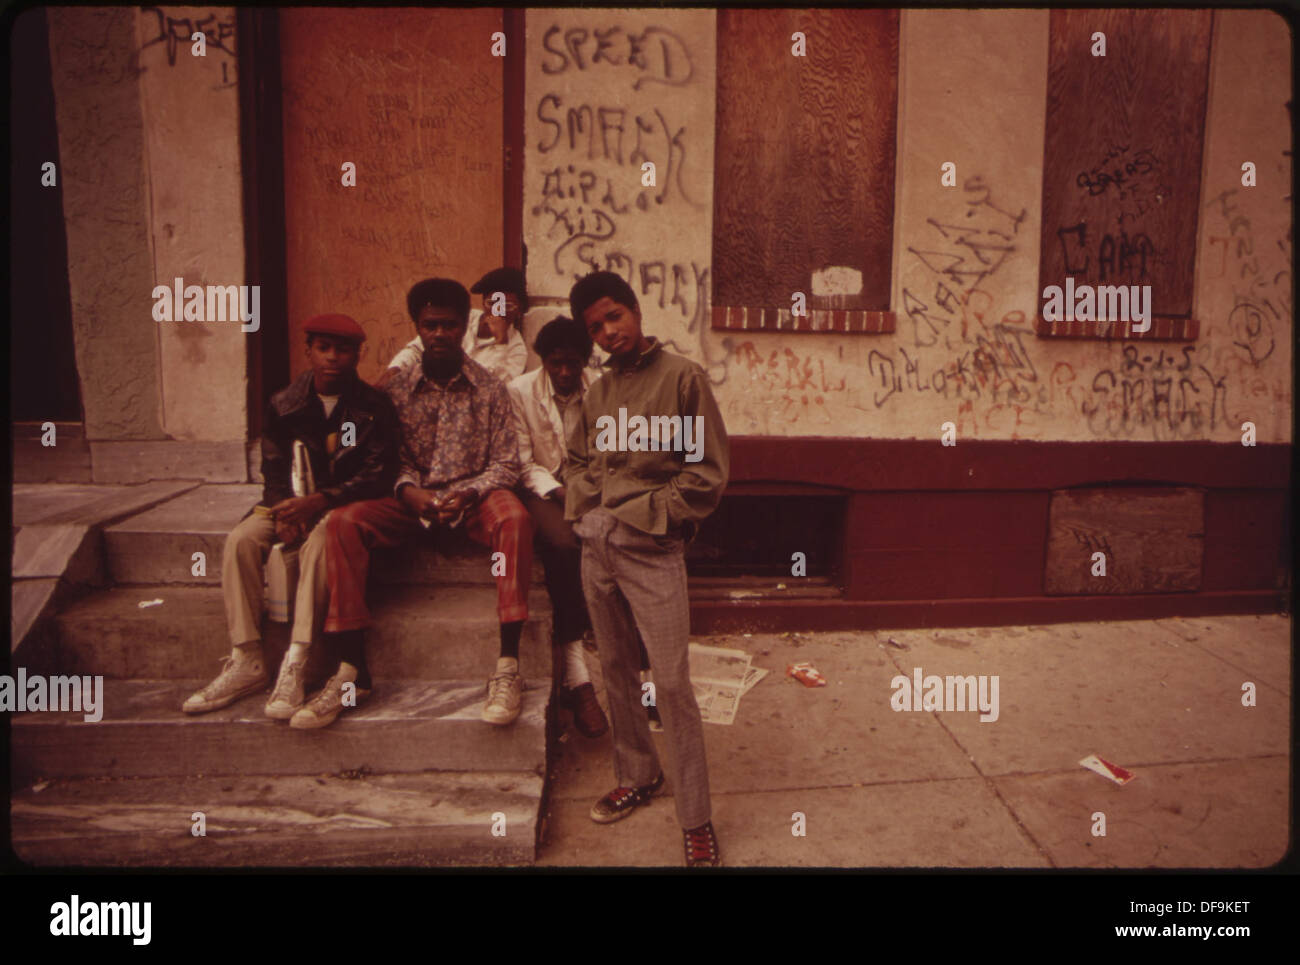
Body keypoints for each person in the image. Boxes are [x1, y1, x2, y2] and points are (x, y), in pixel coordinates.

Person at [564, 271, 730, 868]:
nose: (609, 333)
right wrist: (588, 512)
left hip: (652, 550)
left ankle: (696, 818)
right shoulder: (597, 391)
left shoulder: (682, 378)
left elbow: (705, 473)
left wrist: (651, 516)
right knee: (614, 668)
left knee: (674, 682)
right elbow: (577, 459)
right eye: (596, 328)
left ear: (635, 311)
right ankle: (638, 774)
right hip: (597, 548)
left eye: (615, 317)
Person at [319, 278, 537, 728]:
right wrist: (408, 490)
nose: (439, 334)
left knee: (513, 517)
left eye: (449, 325)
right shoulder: (393, 395)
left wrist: (470, 492)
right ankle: (352, 670)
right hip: (410, 503)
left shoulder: (491, 389)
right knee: (342, 523)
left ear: (464, 328)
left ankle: (508, 665)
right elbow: (388, 459)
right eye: (429, 325)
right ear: (417, 328)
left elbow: (506, 464)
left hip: (472, 499)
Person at [182, 314, 401, 725]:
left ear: (359, 355)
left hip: (338, 504)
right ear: (309, 351)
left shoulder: (371, 408)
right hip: (291, 503)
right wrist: (284, 509)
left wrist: (319, 502)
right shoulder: (285, 403)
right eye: (323, 348)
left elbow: (375, 475)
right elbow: (274, 467)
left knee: (323, 540)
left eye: (343, 350)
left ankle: (297, 658)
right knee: (242, 540)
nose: (332, 358)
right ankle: (246, 658)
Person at [505, 316, 608, 738]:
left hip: (594, 488)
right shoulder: (520, 391)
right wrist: (562, 495)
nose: (564, 373)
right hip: (545, 490)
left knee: (620, 543)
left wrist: (589, 494)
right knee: (565, 546)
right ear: (543, 360)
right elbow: (523, 461)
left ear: (585, 360)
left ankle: (642, 681)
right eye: (555, 364)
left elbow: (610, 451)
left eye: (572, 363)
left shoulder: (603, 388)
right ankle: (577, 678)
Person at [378, 267, 528, 387]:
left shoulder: (517, 350)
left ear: (519, 310)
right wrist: (395, 370)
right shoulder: (459, 319)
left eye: (508, 306)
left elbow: (493, 386)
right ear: (483, 303)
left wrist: (501, 342)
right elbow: (417, 349)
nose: (498, 312)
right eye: (492, 303)